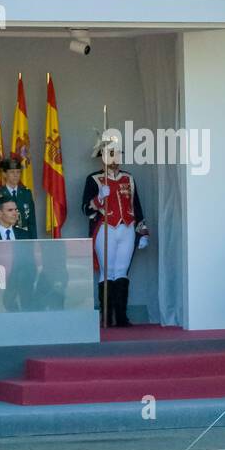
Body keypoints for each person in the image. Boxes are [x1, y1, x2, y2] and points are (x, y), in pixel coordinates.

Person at [81, 130, 148, 328]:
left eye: (117, 154)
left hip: (126, 228)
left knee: (122, 271)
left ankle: (121, 316)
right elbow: (85, 208)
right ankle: (105, 315)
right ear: (102, 157)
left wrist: (143, 231)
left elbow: (136, 206)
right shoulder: (94, 179)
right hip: (105, 228)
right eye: (111, 154)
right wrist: (99, 197)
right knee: (107, 270)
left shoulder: (129, 178)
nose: (115, 158)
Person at [0, 158, 37, 239]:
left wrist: (34, 241)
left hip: (23, 237)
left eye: (18, 172)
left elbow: (31, 221)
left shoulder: (26, 193)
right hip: (4, 236)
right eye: (12, 172)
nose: (16, 175)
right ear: (4, 174)